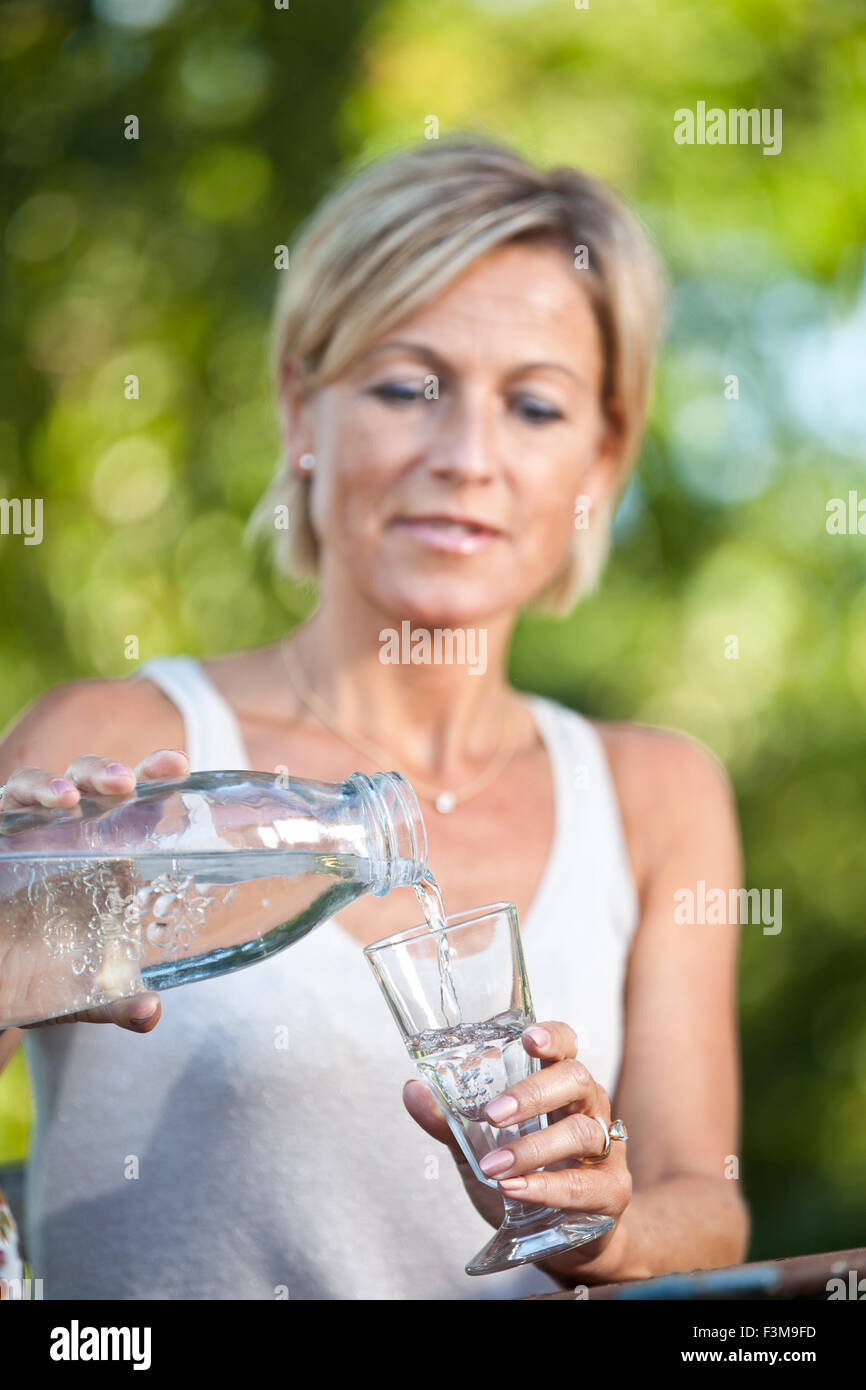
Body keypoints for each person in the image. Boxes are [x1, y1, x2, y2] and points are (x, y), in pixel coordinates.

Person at [0, 135, 748, 1300]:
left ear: (601, 455)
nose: (466, 458)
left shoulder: (656, 794)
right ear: (304, 406)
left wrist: (606, 1228)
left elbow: (704, 1200)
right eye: (407, 387)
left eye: (535, 407)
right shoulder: (120, 755)